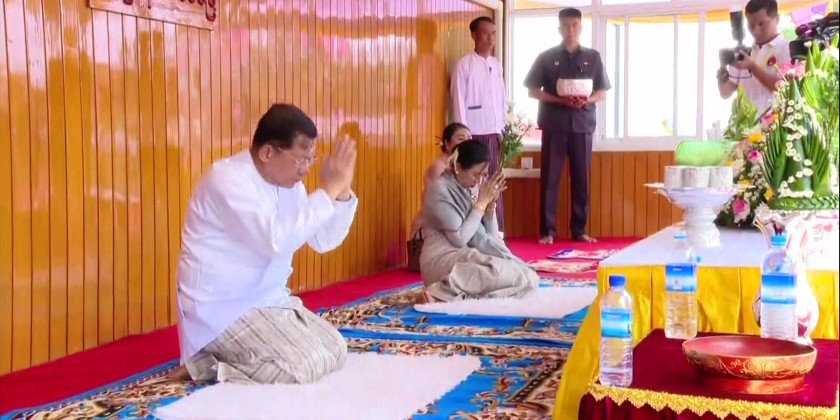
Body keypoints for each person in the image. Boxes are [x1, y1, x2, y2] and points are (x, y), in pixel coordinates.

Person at [170, 103, 358, 384]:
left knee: (336, 349)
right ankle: (207, 364)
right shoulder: (227, 179)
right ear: (268, 152)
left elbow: (322, 240)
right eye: (301, 160)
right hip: (221, 308)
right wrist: (328, 189)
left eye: (311, 160)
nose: (306, 169)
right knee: (302, 367)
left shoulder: (290, 185)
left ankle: (228, 359)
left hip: (270, 301)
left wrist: (341, 191)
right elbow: (276, 241)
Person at [523, 8, 610, 245]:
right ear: (559, 29)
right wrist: (559, 100)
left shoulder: (593, 57)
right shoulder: (546, 57)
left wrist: (586, 100)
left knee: (581, 180)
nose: (570, 30)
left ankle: (579, 230)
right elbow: (533, 91)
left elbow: (601, 93)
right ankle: (547, 231)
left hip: (583, 125)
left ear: (581, 28)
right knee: (550, 179)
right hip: (554, 124)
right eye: (565, 26)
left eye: (574, 25)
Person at [419, 140, 539, 303]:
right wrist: (481, 204)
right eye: (475, 174)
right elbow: (459, 239)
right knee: (505, 274)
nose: (478, 180)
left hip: (466, 257)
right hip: (442, 259)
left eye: (483, 175)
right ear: (458, 167)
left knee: (527, 276)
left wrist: (489, 206)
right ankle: (439, 292)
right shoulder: (439, 189)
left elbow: (491, 237)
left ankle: (467, 297)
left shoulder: (465, 188)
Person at [451, 16, 507, 238]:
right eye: (485, 33)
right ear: (474, 35)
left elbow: (501, 99)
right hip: (473, 134)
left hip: (493, 133)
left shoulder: (496, 65)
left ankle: (496, 232)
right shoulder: (464, 65)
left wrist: (502, 128)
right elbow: (458, 100)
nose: (490, 38)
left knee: (494, 181)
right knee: (474, 183)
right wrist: (464, 136)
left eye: (493, 33)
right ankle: (476, 232)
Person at [717, 0, 789, 113]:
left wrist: (752, 66)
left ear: (777, 19)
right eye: (751, 25)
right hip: (744, 123)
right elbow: (725, 93)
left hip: (774, 122)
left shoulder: (787, 48)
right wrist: (722, 77)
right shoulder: (744, 53)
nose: (756, 30)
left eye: (761, 24)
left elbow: (785, 89)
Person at [410, 122, 472, 239]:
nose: (467, 143)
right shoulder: (439, 167)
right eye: (461, 139)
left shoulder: (462, 167)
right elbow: (446, 203)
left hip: (450, 227)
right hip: (428, 230)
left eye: (469, 138)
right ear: (447, 144)